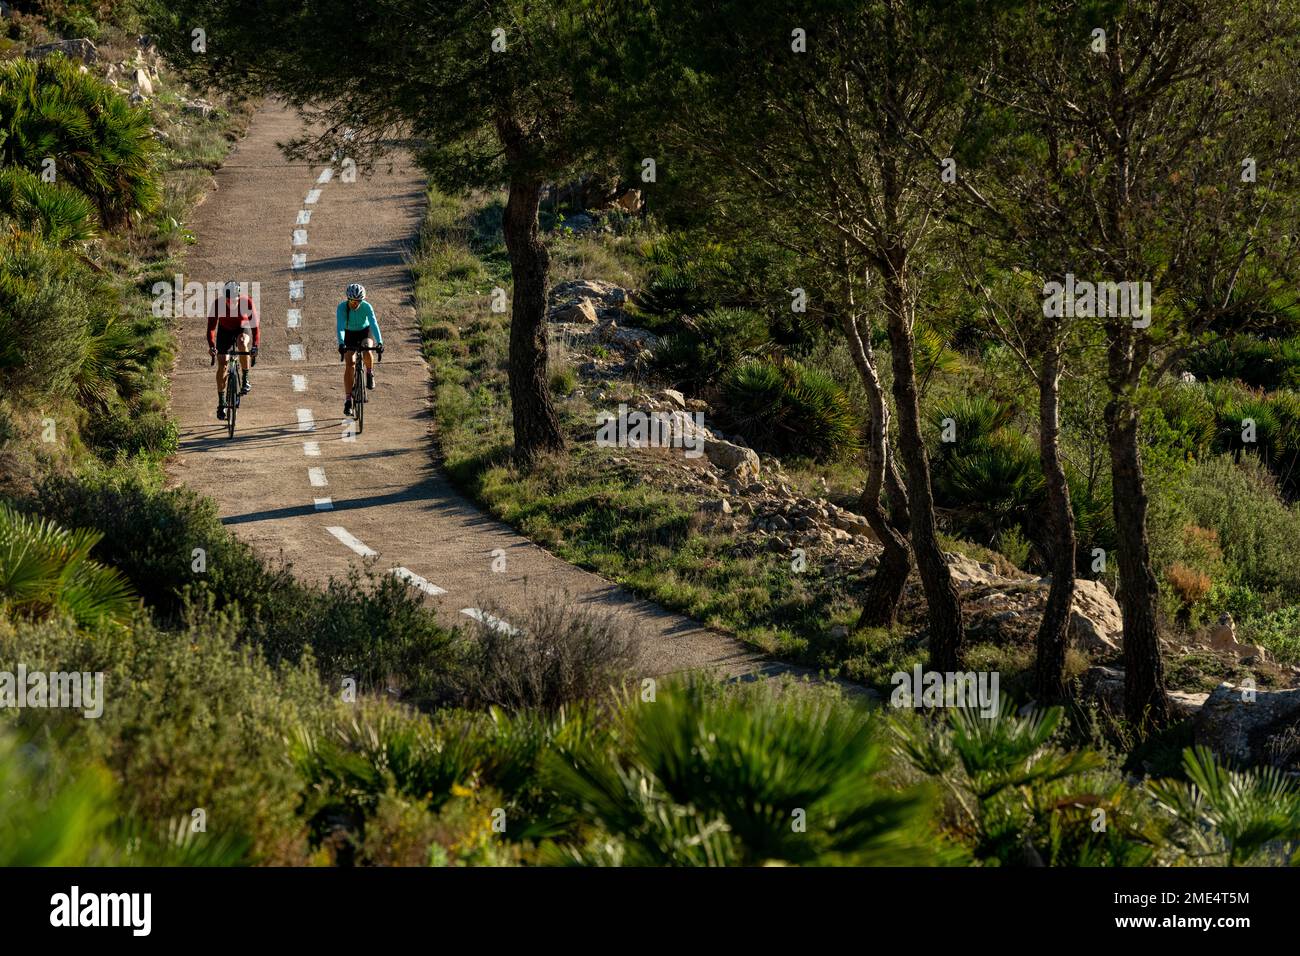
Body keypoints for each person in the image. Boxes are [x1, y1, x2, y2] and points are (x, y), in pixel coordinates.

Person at [207, 281, 260, 420]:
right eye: (228, 301)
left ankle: (246, 378)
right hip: (224, 332)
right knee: (223, 362)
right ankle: (221, 402)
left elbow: (255, 326)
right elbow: (211, 328)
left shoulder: (247, 302)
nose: (231, 304)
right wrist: (212, 346)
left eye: (234, 301)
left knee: (242, 342)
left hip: (242, 328)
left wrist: (255, 345)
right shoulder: (218, 304)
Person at [337, 282, 383, 417]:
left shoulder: (367, 307)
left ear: (362, 300)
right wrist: (341, 343)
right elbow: (340, 327)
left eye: (358, 301)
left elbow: (374, 323)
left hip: (364, 331)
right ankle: (347, 400)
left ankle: (369, 372)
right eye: (352, 301)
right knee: (350, 363)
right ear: (348, 299)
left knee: (367, 349)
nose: (355, 304)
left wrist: (380, 342)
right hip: (349, 333)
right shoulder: (342, 308)